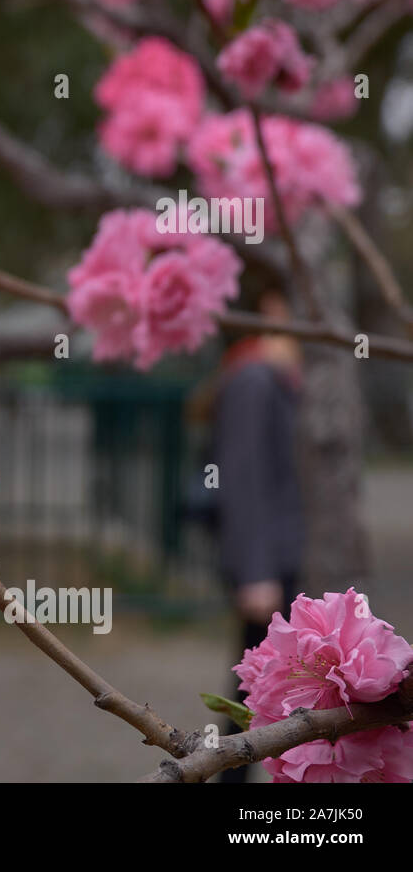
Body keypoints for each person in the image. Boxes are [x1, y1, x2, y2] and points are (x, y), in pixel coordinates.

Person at [209, 289, 304, 782]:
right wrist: (256, 570)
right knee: (254, 686)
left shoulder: (281, 377)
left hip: (285, 556)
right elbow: (243, 478)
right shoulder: (254, 377)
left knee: (258, 684)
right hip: (270, 563)